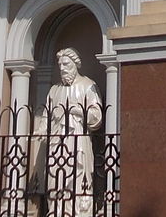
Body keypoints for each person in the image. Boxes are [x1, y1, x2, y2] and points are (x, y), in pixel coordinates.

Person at [32, 48, 103, 217]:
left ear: (75, 64)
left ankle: (79, 212)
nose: (62, 68)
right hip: (56, 142)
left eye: (66, 64)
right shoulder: (54, 90)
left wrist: (79, 111)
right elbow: (46, 115)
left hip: (77, 142)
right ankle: (57, 210)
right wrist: (42, 129)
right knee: (55, 176)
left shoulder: (88, 86)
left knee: (78, 176)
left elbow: (97, 116)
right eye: (60, 65)